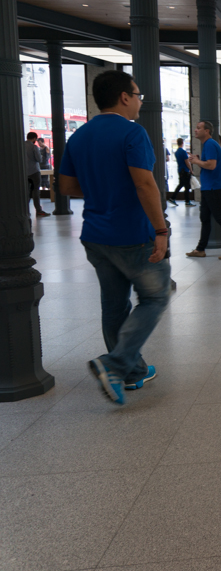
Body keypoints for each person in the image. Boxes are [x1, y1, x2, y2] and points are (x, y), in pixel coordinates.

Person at [58, 69, 169, 405]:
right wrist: (161, 230)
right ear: (124, 97)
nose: (139, 102)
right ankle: (116, 364)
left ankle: (132, 374)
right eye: (138, 95)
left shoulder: (78, 136)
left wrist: (101, 194)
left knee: (114, 304)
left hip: (95, 234)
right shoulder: (132, 133)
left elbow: (65, 188)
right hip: (132, 234)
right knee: (155, 298)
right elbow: (145, 183)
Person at [186, 121, 221, 259]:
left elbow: (211, 165)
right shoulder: (208, 145)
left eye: (199, 128)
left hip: (213, 188)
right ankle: (200, 249)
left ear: (207, 131)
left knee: (220, 218)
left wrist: (196, 162)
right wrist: (199, 160)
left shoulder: (210, 144)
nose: (195, 130)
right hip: (208, 187)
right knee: (205, 218)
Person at [24, 132, 49, 218]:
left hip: (25, 172)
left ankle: (25, 211)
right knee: (36, 191)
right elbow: (39, 159)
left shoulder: (21, 145)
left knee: (26, 191)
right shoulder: (34, 147)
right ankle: (38, 210)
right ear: (34, 138)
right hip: (34, 171)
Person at [171, 138, 194, 206]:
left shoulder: (177, 152)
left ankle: (174, 198)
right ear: (182, 143)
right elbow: (187, 162)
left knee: (181, 184)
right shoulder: (183, 152)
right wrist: (191, 170)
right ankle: (187, 201)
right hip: (185, 171)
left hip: (180, 170)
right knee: (186, 186)